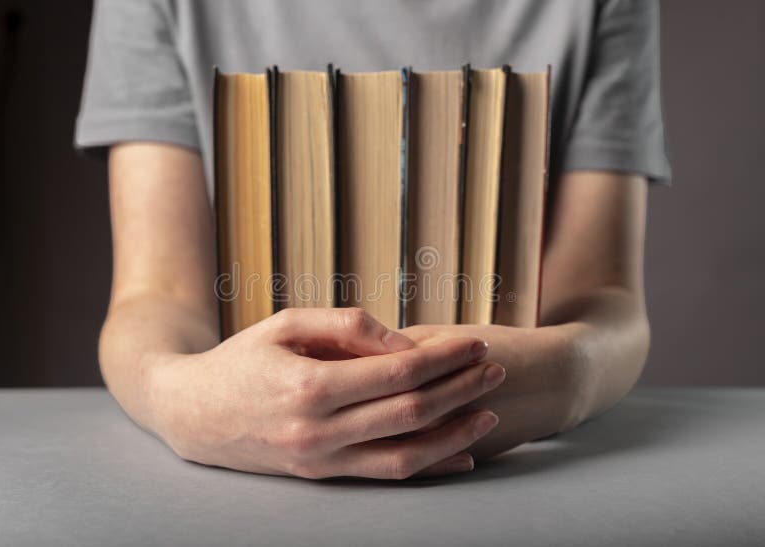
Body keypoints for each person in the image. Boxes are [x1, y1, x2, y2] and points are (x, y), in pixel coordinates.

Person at [75, 0, 670, 479]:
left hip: (512, 474)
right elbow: (157, 296)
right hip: (249, 485)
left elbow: (602, 296)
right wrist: (182, 403)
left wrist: (556, 377)